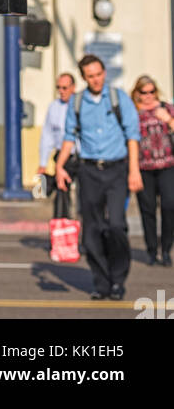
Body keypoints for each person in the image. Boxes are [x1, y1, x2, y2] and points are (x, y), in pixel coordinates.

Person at [56, 54, 141, 301]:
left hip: (116, 170)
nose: (96, 80)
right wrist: (59, 167)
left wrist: (134, 171)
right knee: (92, 229)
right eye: (90, 76)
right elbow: (69, 138)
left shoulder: (118, 98)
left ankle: (118, 280)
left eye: (99, 74)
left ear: (104, 73)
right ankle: (102, 282)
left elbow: (132, 136)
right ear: (84, 77)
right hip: (89, 171)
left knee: (116, 225)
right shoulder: (77, 102)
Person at [131, 74, 174, 267]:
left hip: (167, 165)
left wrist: (169, 120)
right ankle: (151, 250)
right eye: (144, 92)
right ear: (137, 93)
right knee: (147, 209)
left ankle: (166, 249)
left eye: (152, 92)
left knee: (169, 206)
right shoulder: (132, 112)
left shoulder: (166, 108)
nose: (148, 96)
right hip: (144, 168)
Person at [38, 73, 78, 217]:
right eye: (58, 88)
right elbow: (47, 135)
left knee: (85, 195)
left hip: (80, 155)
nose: (61, 91)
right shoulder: (54, 107)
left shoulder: (80, 104)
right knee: (61, 194)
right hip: (62, 156)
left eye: (65, 88)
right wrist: (42, 163)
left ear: (73, 88)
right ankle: (62, 227)